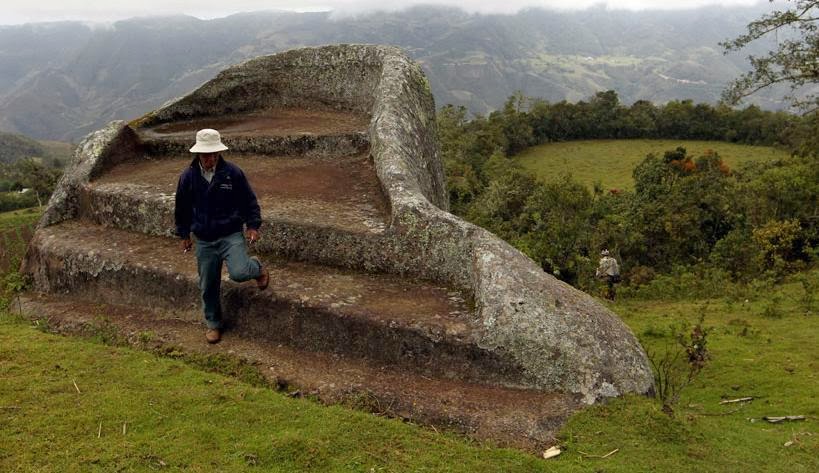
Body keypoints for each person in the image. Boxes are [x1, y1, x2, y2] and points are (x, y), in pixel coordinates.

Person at [174, 128, 269, 344]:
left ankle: (256, 268)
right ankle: (213, 324)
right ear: (198, 154)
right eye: (206, 155)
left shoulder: (232, 173)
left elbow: (248, 201)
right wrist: (184, 234)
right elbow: (182, 209)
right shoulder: (188, 178)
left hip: (230, 234)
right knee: (208, 283)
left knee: (239, 271)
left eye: (214, 154)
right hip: (205, 239)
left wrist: (253, 225)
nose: (210, 158)